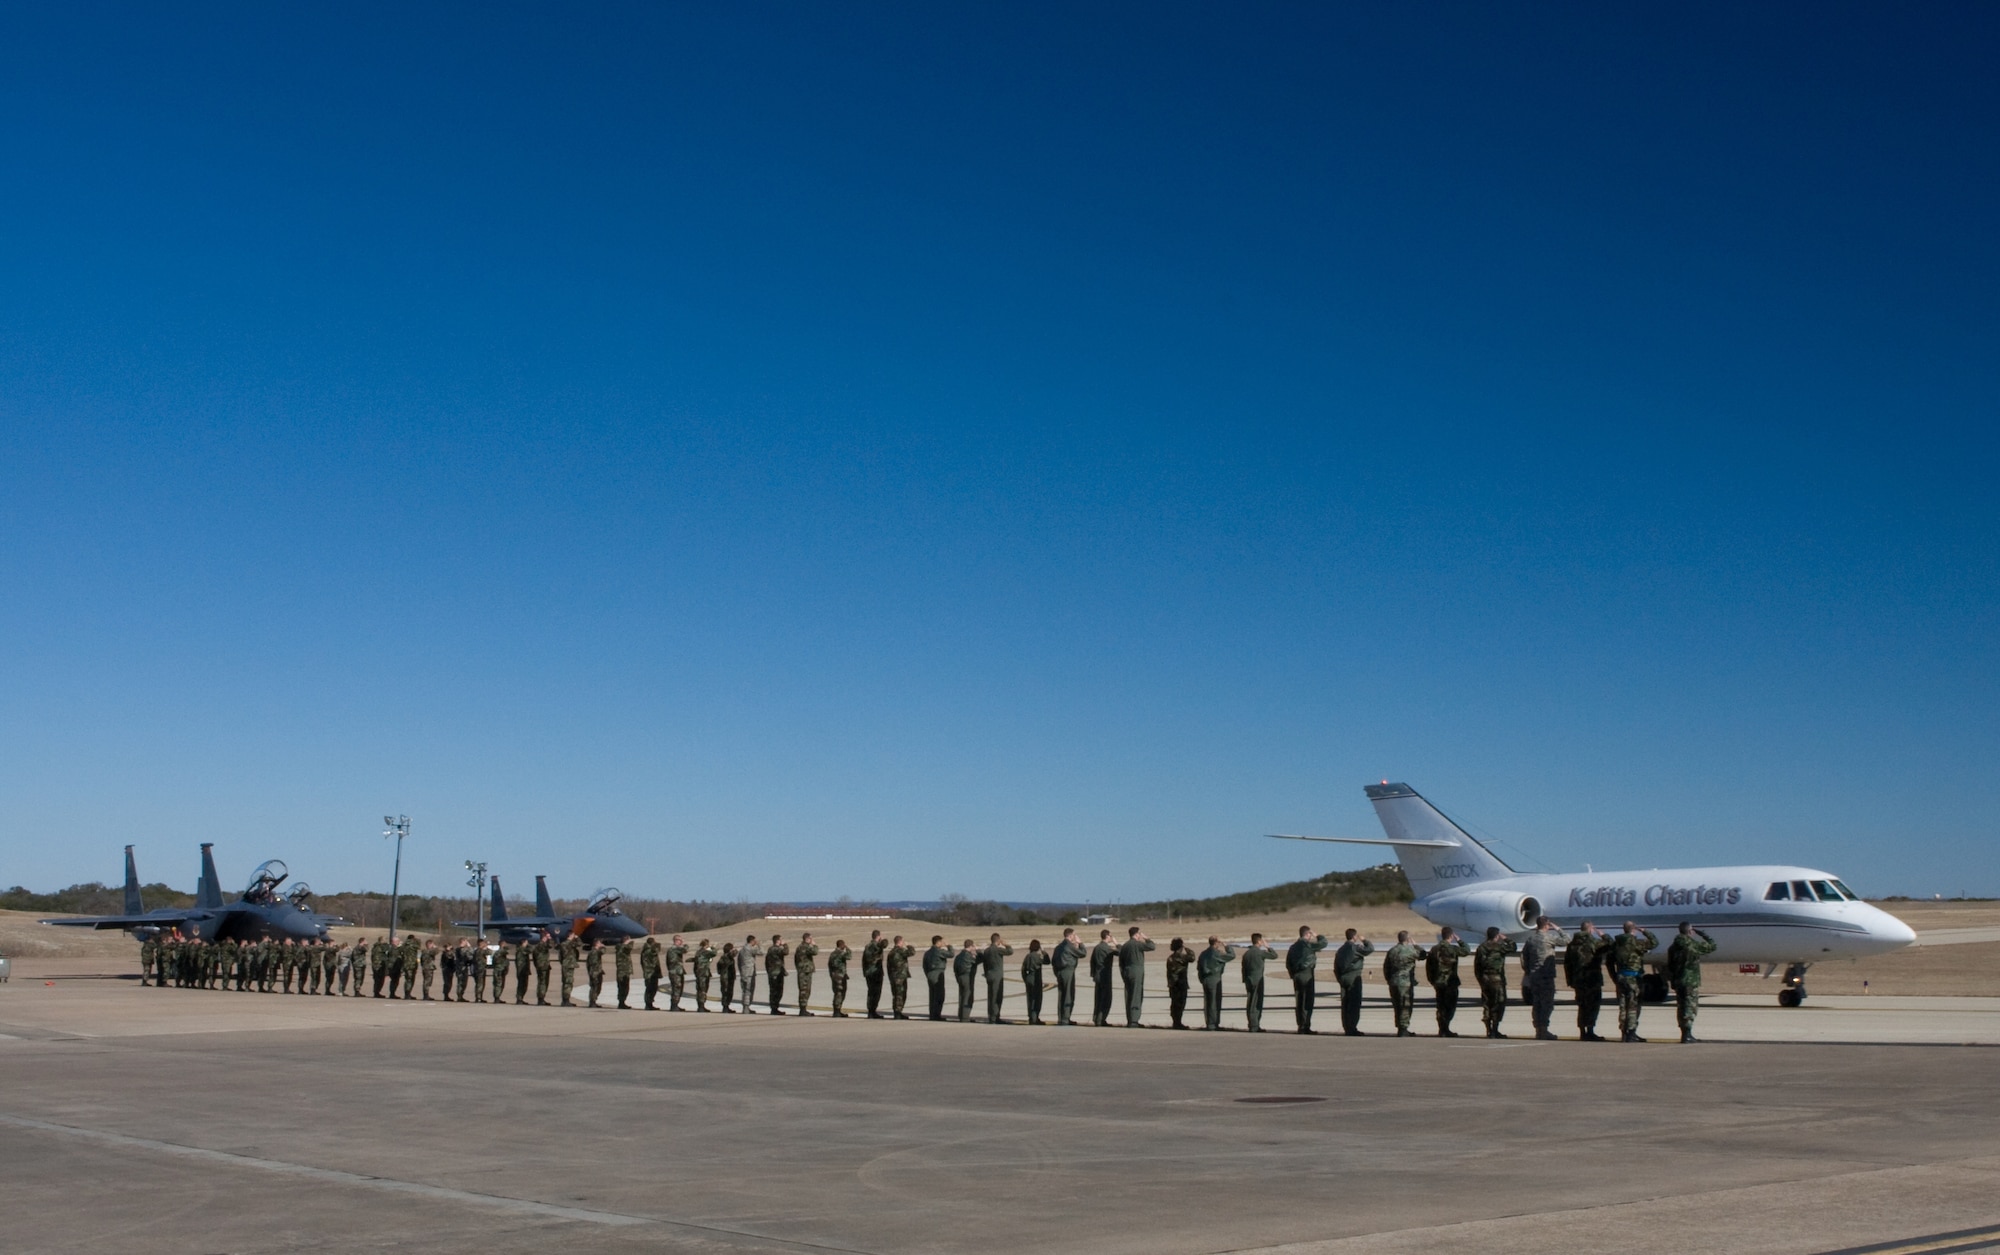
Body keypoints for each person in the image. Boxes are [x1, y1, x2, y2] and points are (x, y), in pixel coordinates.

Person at [1606, 921, 1660, 1043]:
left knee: (1622, 1005)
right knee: (1633, 1006)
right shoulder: (1637, 943)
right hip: (1633, 978)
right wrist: (1645, 931)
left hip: (1621, 977)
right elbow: (1654, 942)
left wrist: (1614, 976)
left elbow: (1609, 962)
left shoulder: (1616, 945)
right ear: (1633, 930)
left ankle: (1624, 1032)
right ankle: (1631, 1032)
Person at [1665, 921, 1717, 1043]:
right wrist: (1702, 934)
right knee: (1690, 1007)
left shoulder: (1672, 947)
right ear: (1689, 931)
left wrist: (1673, 980)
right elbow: (1712, 945)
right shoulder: (1693, 945)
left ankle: (1684, 1033)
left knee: (1681, 1007)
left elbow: (1670, 966)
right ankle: (1687, 1034)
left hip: (1678, 980)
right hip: (1690, 980)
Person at [1565, 921, 1608, 1041]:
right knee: (1593, 1005)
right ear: (1590, 930)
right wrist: (1603, 935)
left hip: (1578, 980)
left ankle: (1582, 1031)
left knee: (1582, 1005)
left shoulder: (1572, 944)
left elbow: (1567, 964)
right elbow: (1609, 944)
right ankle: (1590, 1030)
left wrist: (1570, 980)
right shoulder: (1593, 942)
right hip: (1592, 979)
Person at [1426, 927, 1472, 1037]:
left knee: (1440, 1006)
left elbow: (1429, 967)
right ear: (1451, 936)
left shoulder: (1434, 949)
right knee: (1450, 1006)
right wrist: (1459, 940)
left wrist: (1432, 980)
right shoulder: (1453, 949)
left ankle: (1442, 1028)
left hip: (1439, 982)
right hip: (1450, 983)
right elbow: (1466, 950)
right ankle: (1445, 1028)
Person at [1473, 927, 1517, 1039]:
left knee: (1487, 1003)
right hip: (1497, 980)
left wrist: (1481, 979)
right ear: (1497, 936)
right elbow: (1513, 947)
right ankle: (1495, 1029)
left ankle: (1488, 1029)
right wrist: (1505, 938)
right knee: (1498, 1003)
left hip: (1485, 979)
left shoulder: (1481, 947)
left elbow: (1477, 966)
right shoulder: (1499, 947)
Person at [1285, 926, 1329, 1035]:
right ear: (1307, 934)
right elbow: (1324, 943)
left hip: (1296, 976)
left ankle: (1300, 1025)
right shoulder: (1308, 945)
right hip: (1306, 974)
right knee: (1307, 1000)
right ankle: (1305, 1026)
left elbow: (1288, 963)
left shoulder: (1293, 947)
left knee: (1299, 1001)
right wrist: (1318, 935)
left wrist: (1293, 975)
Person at [1381, 931, 1424, 1037]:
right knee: (1405, 1005)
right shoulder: (1410, 950)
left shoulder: (1392, 951)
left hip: (1394, 982)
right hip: (1405, 983)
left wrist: (1389, 979)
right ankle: (1403, 1028)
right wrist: (1415, 945)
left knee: (1397, 1005)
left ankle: (1400, 1026)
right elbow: (1423, 955)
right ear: (1407, 939)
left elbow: (1386, 967)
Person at [1332, 928, 1374, 1036]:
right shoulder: (1355, 948)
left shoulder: (1341, 949)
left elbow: (1336, 966)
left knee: (1345, 1003)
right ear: (1354, 937)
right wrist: (1365, 940)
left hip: (1343, 978)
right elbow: (1370, 949)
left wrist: (1339, 979)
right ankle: (1352, 1028)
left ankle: (1346, 1026)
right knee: (1354, 1003)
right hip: (1353, 977)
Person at [1196, 936, 1237, 1030]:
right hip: (1214, 979)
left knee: (1207, 1002)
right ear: (1216, 943)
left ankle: (1209, 1023)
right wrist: (1227, 946)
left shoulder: (1203, 953)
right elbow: (1232, 955)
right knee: (1215, 1002)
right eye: (1218, 942)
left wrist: (1202, 979)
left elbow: (1199, 968)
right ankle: (1213, 1024)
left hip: (1205, 980)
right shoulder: (1217, 954)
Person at [1118, 927, 1156, 1027]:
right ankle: (1134, 1020)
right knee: (1136, 995)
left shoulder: (1125, 946)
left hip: (1127, 971)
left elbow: (1120, 962)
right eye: (1139, 933)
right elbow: (1152, 946)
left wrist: (1123, 974)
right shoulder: (1137, 944)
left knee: (1128, 995)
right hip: (1136, 971)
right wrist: (1146, 938)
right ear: (1136, 934)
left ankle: (1130, 1019)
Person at [1239, 933, 1277, 1032]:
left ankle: (1252, 1023)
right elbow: (1274, 955)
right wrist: (1268, 947)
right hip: (1257, 979)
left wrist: (1244, 979)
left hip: (1248, 979)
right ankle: (1254, 1025)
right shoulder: (1259, 953)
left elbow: (1243, 968)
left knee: (1250, 1001)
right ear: (1259, 941)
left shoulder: (1246, 953)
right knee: (1256, 1002)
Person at [1051, 928, 1087, 1026]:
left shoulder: (1058, 947)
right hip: (1068, 971)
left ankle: (1061, 1017)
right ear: (1070, 936)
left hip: (1059, 972)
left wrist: (1057, 973)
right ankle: (1066, 1018)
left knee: (1061, 995)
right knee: (1068, 994)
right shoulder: (1068, 946)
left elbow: (1053, 962)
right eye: (1074, 935)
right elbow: (1083, 954)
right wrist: (1080, 944)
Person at [982, 932, 1015, 1024]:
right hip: (997, 975)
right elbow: (1010, 951)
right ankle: (995, 1016)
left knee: (990, 996)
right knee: (997, 996)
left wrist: (986, 973)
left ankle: (991, 1015)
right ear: (998, 940)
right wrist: (1006, 944)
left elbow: (984, 964)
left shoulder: (987, 950)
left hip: (989, 974)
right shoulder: (998, 950)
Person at [1089, 930, 1117, 1026]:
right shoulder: (1105, 948)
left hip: (1097, 975)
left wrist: (1093, 974)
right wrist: (1116, 943)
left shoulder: (1097, 947)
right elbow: (1121, 952)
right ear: (1107, 936)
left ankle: (1096, 1018)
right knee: (1105, 998)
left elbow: (1092, 961)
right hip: (1104, 975)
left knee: (1098, 998)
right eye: (1110, 936)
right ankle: (1101, 1019)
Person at [921, 936, 953, 1021]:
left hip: (930, 974)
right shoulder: (938, 951)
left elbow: (924, 965)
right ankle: (936, 1015)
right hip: (938, 973)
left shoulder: (927, 953)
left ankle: (932, 1014)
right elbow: (951, 954)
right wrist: (949, 946)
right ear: (938, 942)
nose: (942, 943)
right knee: (939, 995)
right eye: (941, 942)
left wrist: (928, 974)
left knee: (932, 995)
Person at [885, 935, 917, 1018]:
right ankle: (898, 1012)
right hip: (900, 977)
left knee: (895, 995)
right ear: (900, 942)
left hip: (893, 977)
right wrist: (908, 945)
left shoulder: (891, 952)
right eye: (902, 941)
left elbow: (888, 966)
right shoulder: (900, 951)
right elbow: (912, 952)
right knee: (901, 994)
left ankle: (896, 1012)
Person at [1164, 939, 1193, 1029]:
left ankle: (1176, 1022)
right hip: (1180, 983)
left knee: (1174, 1003)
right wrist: (1185, 948)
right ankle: (1177, 1022)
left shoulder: (1170, 958)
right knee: (1180, 1004)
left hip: (1173, 984)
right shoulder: (1182, 957)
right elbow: (1192, 958)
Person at [1020, 939, 1049, 1024]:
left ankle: (1030, 1016)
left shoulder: (1027, 956)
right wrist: (1044, 952)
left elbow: (1023, 969)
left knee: (1029, 999)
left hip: (1029, 978)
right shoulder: (1037, 956)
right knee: (1037, 999)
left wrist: (1025, 979)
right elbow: (1047, 961)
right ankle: (1035, 1017)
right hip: (1036, 979)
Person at [953, 939, 981, 1022]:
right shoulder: (968, 956)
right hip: (967, 977)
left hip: (960, 977)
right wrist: (978, 951)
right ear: (971, 946)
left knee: (961, 996)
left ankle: (961, 1015)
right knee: (967, 997)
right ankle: (965, 1017)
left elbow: (955, 968)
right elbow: (979, 960)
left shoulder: (958, 956)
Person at [860, 931, 887, 1019]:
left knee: (871, 992)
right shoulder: (876, 945)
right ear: (878, 936)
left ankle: (871, 1011)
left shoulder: (867, 946)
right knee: (876, 992)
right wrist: (881, 941)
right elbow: (885, 944)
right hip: (875, 972)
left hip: (868, 972)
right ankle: (872, 1011)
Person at [763, 934, 789, 1015]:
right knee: (776, 991)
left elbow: (766, 962)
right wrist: (785, 945)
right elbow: (785, 952)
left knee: (776, 991)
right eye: (781, 939)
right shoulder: (775, 949)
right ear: (778, 941)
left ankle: (774, 1008)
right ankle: (774, 1008)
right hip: (776, 973)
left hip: (774, 972)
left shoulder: (770, 949)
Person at [737, 935, 762, 1014]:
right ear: (752, 941)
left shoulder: (742, 950)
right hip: (749, 972)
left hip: (744, 972)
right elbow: (761, 952)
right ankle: (746, 1007)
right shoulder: (750, 949)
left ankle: (745, 1007)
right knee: (748, 990)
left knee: (744, 990)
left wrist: (741, 971)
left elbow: (738, 962)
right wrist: (759, 945)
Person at [794, 933, 818, 1016]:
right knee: (804, 991)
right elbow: (815, 952)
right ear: (807, 939)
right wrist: (814, 945)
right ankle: (803, 1010)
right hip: (805, 972)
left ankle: (803, 1009)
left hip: (803, 970)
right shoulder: (805, 947)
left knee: (805, 990)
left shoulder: (799, 947)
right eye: (811, 938)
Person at [662, 935, 688, 1011]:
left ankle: (675, 1004)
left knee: (678, 988)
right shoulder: (674, 949)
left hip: (676, 971)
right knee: (677, 988)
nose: (681, 942)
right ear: (676, 940)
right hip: (675, 972)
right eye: (680, 940)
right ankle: (674, 1005)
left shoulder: (673, 949)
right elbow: (685, 950)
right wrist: (685, 945)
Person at [828, 938, 852, 1016]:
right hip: (840, 976)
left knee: (837, 992)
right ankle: (837, 1011)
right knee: (840, 993)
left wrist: (831, 974)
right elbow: (849, 956)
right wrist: (847, 948)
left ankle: (837, 1010)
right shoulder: (841, 953)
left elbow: (829, 965)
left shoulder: (832, 954)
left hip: (834, 975)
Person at [692, 938, 716, 1011]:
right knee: (703, 989)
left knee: (699, 989)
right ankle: (701, 1006)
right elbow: (714, 953)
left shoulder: (698, 952)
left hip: (699, 973)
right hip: (704, 973)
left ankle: (700, 1005)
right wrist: (712, 947)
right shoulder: (705, 952)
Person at [560, 934, 582, 1006]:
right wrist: (573, 938)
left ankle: (566, 1000)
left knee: (567, 983)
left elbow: (579, 944)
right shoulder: (567, 944)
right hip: (568, 965)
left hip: (568, 965)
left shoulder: (567, 944)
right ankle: (565, 1000)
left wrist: (576, 937)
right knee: (568, 983)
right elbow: (579, 944)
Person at [532, 933, 553, 1005]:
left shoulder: (537, 946)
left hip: (540, 966)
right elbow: (550, 946)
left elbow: (534, 957)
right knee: (543, 982)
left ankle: (541, 998)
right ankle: (541, 999)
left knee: (541, 982)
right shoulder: (542, 945)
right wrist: (549, 938)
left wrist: (537, 965)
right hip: (543, 966)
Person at [584, 939, 607, 1008]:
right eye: (600, 943)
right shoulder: (595, 952)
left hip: (595, 971)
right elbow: (603, 952)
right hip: (595, 972)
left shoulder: (593, 952)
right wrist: (603, 947)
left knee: (596, 987)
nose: (601, 944)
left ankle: (593, 1001)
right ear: (597, 944)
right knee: (594, 987)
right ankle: (592, 1002)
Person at [614, 938, 635, 1009]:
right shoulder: (623, 948)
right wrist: (628, 942)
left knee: (623, 987)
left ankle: (622, 1002)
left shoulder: (621, 948)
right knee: (623, 987)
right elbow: (630, 947)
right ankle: (621, 1002)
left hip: (623, 971)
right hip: (623, 971)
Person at [717, 940, 738, 1012]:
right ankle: (725, 1006)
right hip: (726, 977)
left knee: (729, 992)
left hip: (729, 976)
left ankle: (727, 1006)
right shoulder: (726, 956)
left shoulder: (725, 957)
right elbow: (734, 953)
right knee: (726, 991)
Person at [488, 942, 510, 1007]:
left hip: (499, 970)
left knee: (499, 984)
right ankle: (496, 998)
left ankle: (497, 997)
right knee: (498, 984)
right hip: (499, 970)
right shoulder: (500, 952)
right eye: (505, 944)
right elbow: (507, 951)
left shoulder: (497, 953)